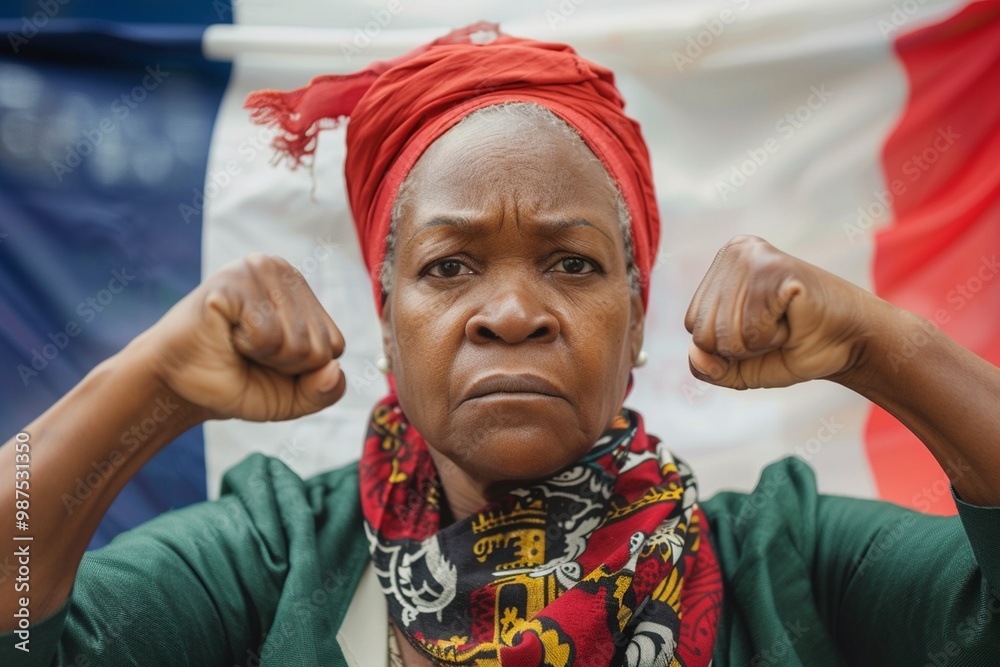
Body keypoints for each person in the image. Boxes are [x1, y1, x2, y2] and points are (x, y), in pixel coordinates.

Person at [2, 22, 999, 667]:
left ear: (635, 320)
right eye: (449, 267)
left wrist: (878, 344)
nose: (511, 311)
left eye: (570, 264)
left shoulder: (782, 560)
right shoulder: (276, 558)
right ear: (387, 325)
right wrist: (151, 386)